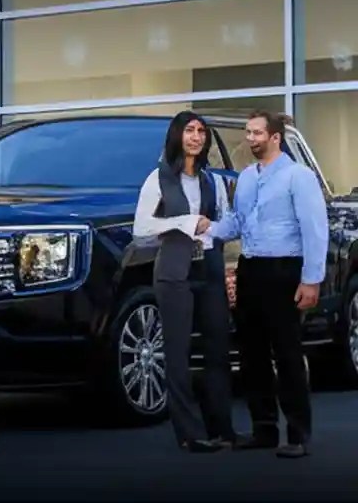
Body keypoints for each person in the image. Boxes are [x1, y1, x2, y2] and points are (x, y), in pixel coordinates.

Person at [210, 111, 328, 459]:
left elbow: (315, 230)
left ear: (275, 137)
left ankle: (298, 435)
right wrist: (208, 230)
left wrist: (311, 280)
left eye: (257, 133)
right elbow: (237, 221)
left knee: (288, 353)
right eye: (248, 132)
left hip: (285, 270)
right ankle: (263, 430)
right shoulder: (246, 178)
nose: (250, 139)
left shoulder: (298, 177)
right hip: (251, 269)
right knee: (251, 354)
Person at [131, 111, 236, 453]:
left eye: (201, 131)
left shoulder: (212, 181)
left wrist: (223, 251)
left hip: (209, 269)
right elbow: (141, 229)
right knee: (178, 352)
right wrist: (185, 222)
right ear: (177, 135)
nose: (196, 137)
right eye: (189, 130)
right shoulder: (157, 179)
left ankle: (222, 429)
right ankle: (190, 434)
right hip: (173, 273)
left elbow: (221, 225)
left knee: (218, 349)